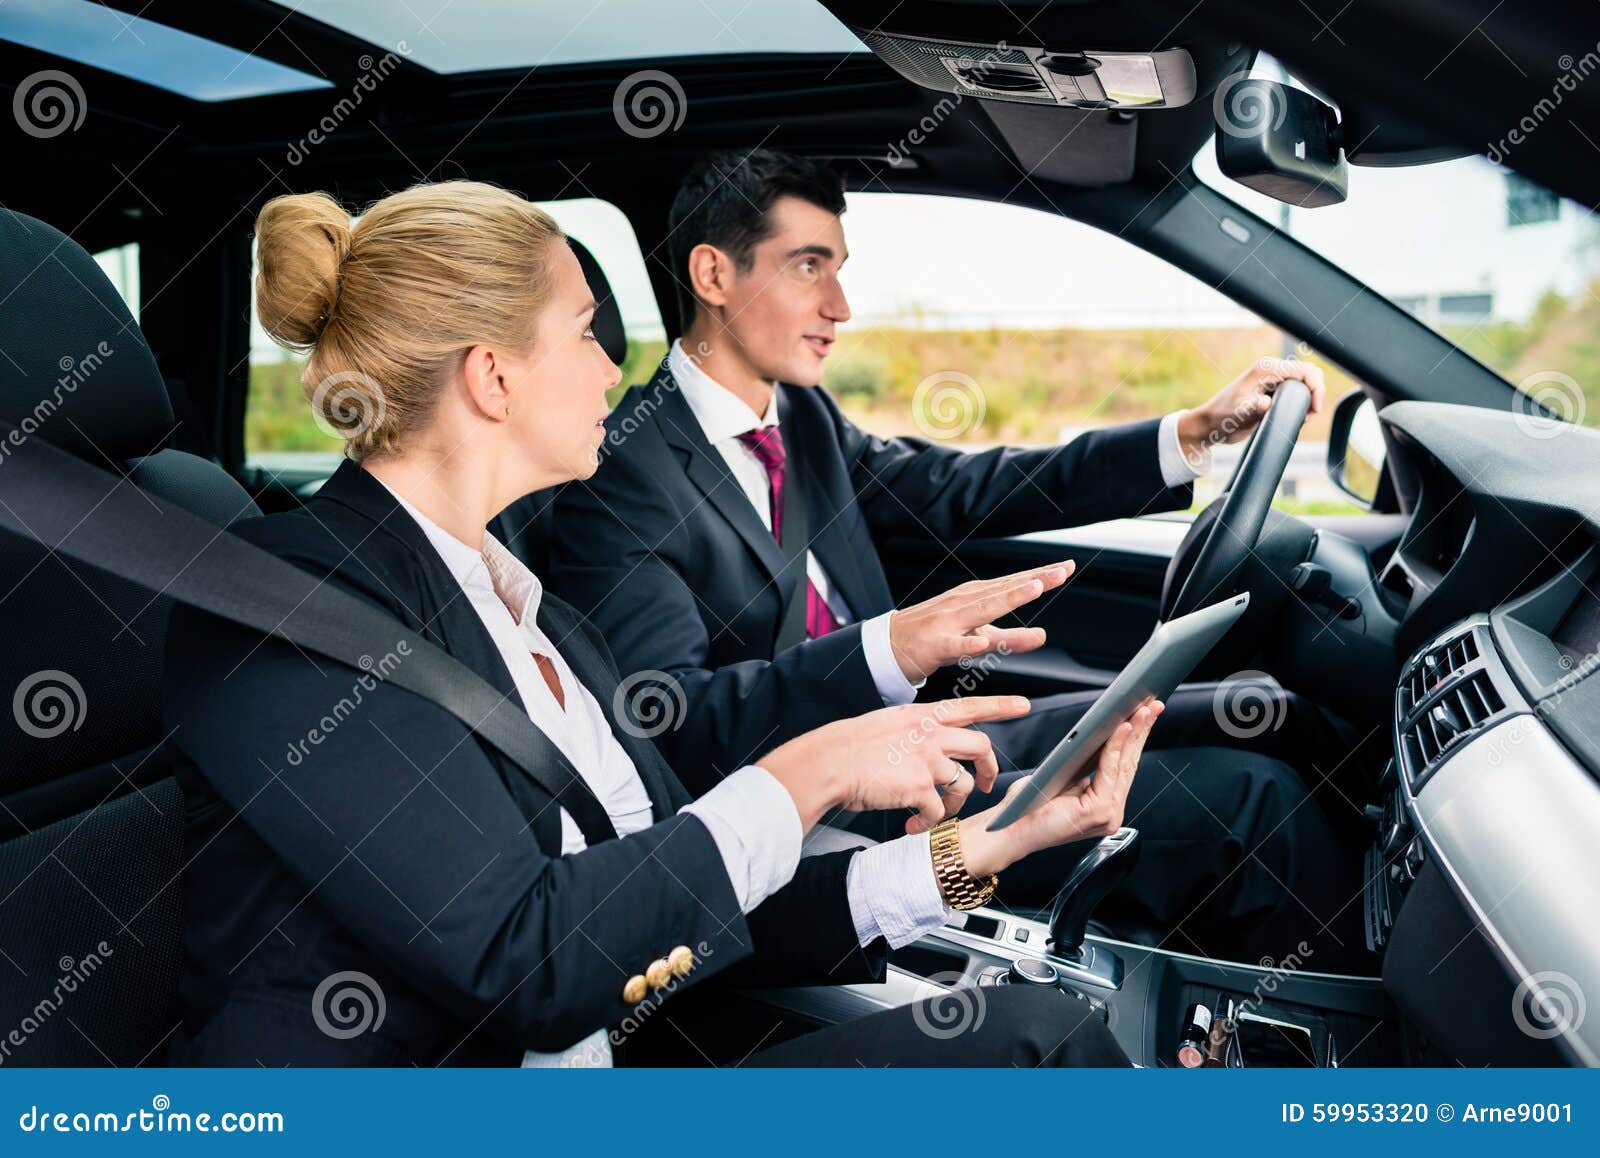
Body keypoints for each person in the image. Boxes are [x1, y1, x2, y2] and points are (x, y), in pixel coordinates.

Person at [159, 180, 1164, 1068]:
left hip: (632, 1052)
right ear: (491, 376)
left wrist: (970, 853)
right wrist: (811, 772)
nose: (612, 370)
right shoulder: (292, 615)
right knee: (1039, 1047)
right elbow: (531, 962)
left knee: (1030, 1029)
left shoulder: (521, 606)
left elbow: (667, 907)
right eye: (588, 330)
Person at [546, 148, 1370, 970]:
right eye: (808, 268)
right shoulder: (619, 479)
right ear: (713, 274)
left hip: (939, 742)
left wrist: (1188, 435)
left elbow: (957, 489)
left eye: (840, 270)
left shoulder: (801, 417)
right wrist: (884, 650)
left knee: (1277, 714)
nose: (841, 305)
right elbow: (673, 726)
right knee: (1254, 808)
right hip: (849, 810)